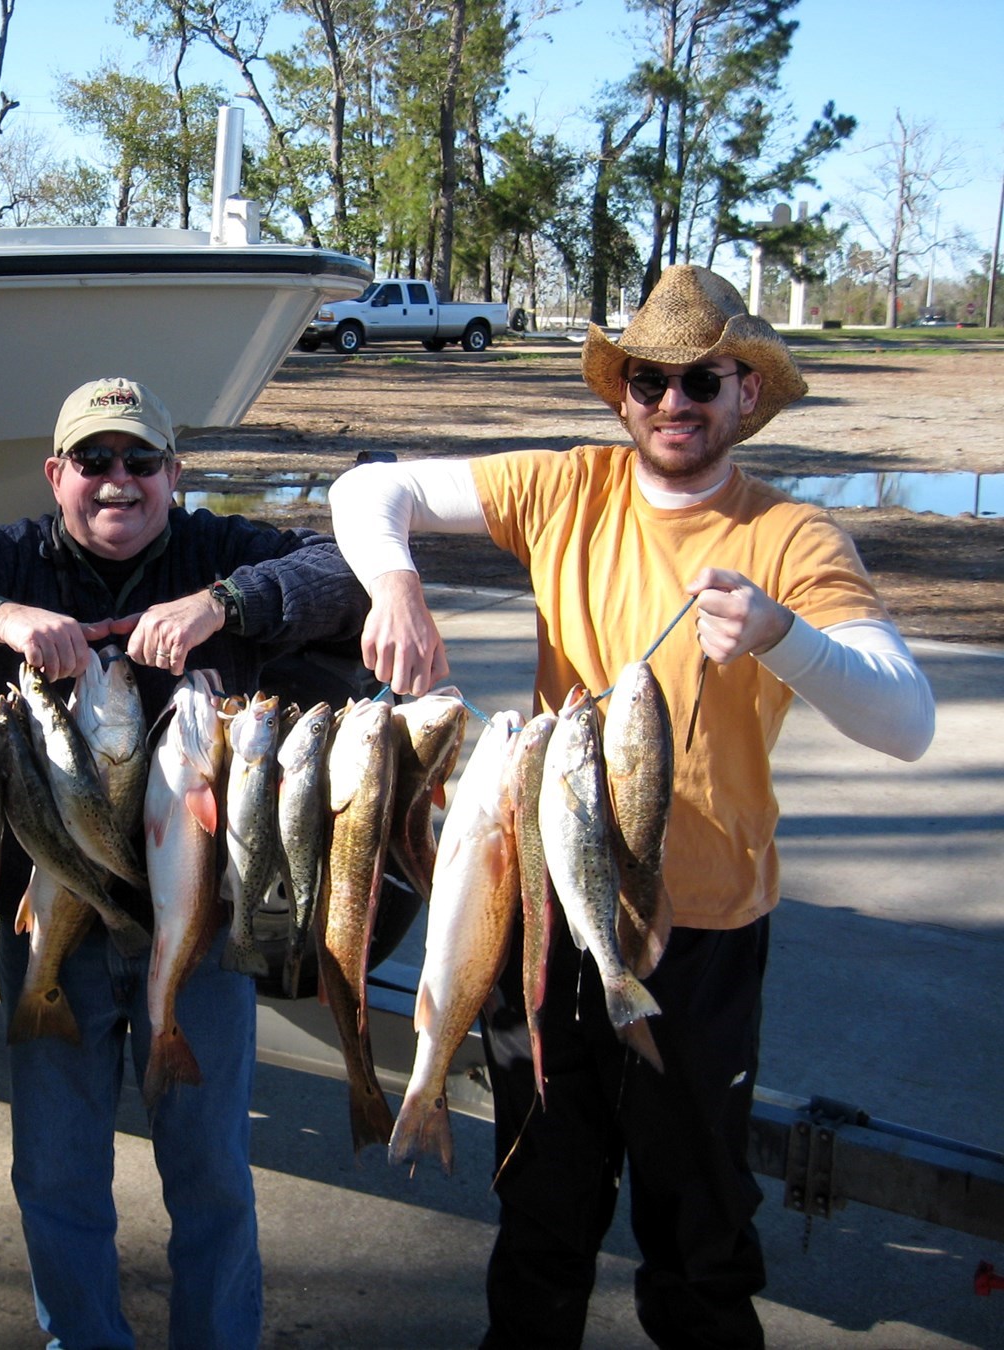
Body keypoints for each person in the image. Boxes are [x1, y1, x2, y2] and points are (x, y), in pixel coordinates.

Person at [328, 264, 936, 1349]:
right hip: (543, 918)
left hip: (701, 940)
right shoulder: (570, 488)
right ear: (622, 395)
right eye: (649, 380)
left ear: (748, 391)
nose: (672, 402)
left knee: (701, 1240)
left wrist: (783, 637)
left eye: (702, 379)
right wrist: (398, 585)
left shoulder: (793, 538)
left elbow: (908, 721)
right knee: (540, 1216)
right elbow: (369, 492)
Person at [0, 376, 368, 1350]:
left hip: (198, 925)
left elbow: (350, 575)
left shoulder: (218, 550)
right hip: (54, 926)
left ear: (175, 473)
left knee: (211, 1174)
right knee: (56, 1172)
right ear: (57, 475)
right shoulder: (16, 558)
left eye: (140, 460)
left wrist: (223, 605)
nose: (117, 478)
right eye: (92, 460)